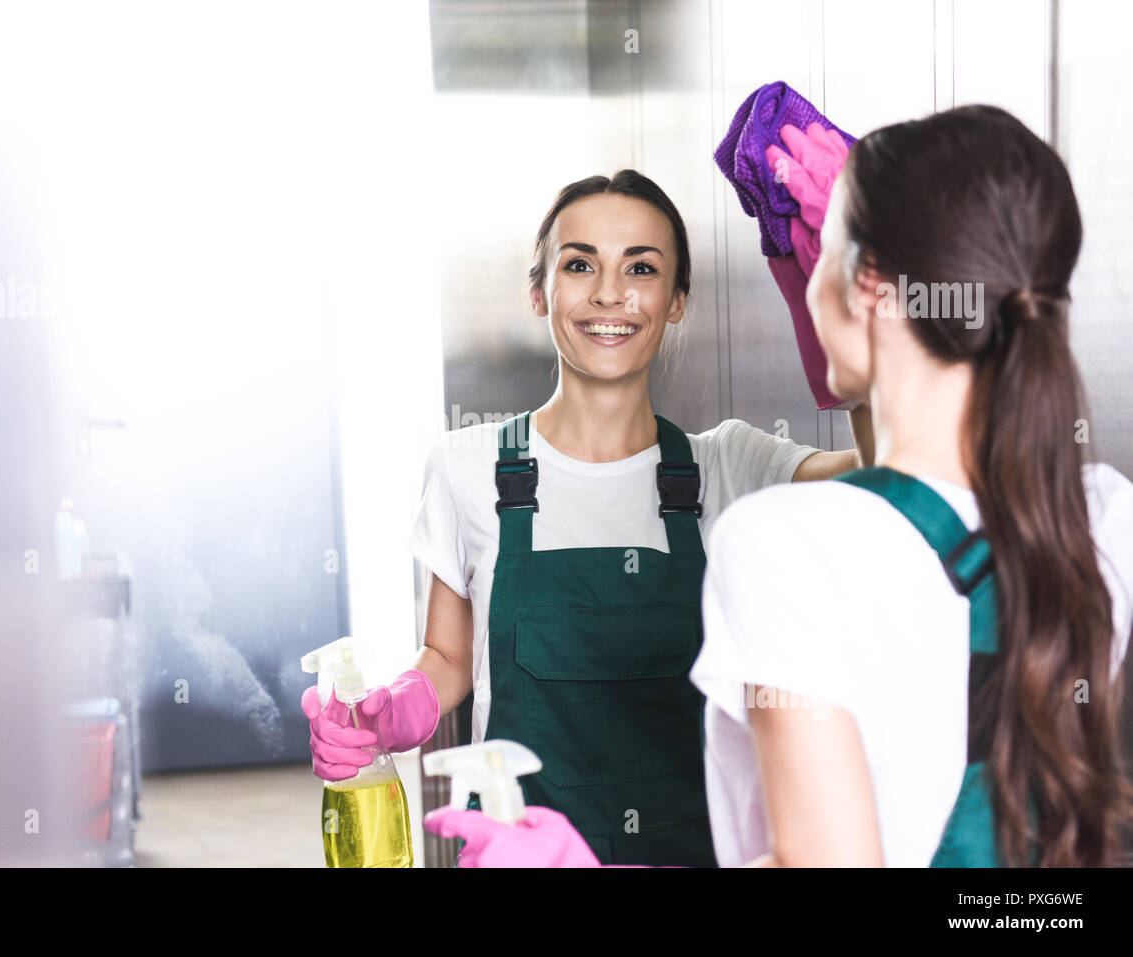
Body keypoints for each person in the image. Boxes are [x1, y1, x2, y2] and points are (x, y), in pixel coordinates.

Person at [435, 105, 1133, 868]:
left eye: (817, 255)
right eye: (578, 264)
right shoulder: (1100, 512)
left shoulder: (780, 539)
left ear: (864, 286)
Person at [304, 168, 871, 866]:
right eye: (580, 264)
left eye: (641, 267)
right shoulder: (464, 466)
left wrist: (842, 306)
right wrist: (386, 712)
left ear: (676, 300)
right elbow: (450, 657)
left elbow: (885, 475)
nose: (610, 292)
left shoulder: (728, 465)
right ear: (539, 291)